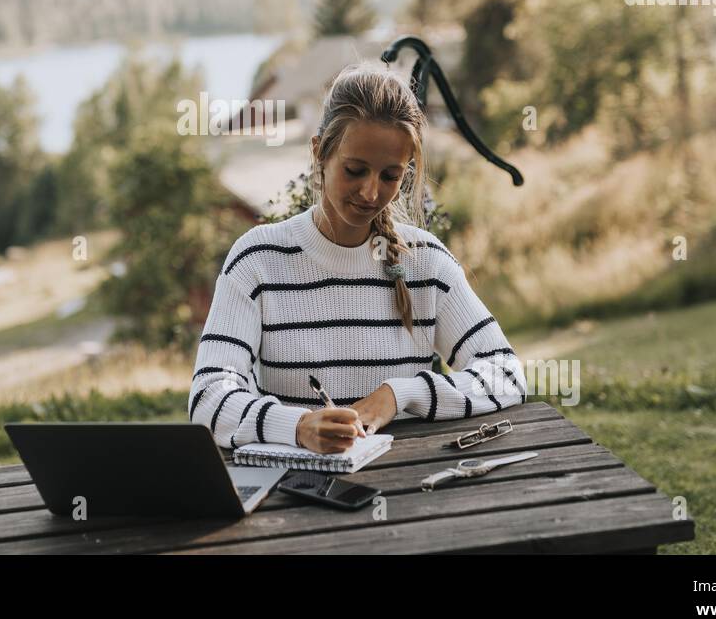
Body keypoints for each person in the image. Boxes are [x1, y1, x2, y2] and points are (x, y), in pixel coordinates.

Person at [189, 61, 526, 454]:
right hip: (296, 488)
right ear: (319, 152)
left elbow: (506, 374)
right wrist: (297, 426)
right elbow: (209, 398)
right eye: (355, 170)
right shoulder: (257, 260)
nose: (370, 193)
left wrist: (400, 395)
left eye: (390, 176)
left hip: (408, 483)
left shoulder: (426, 262)